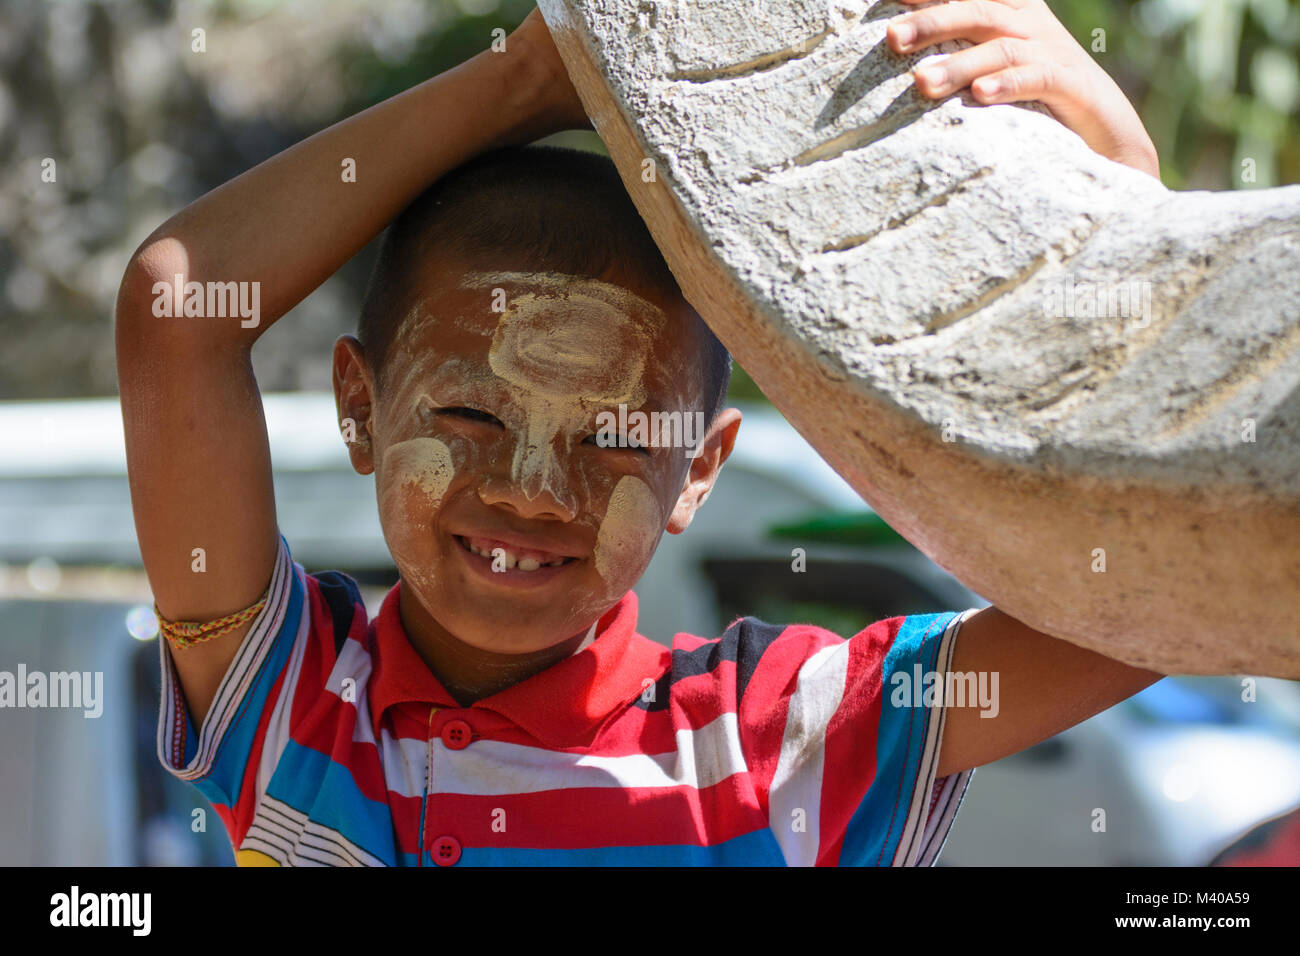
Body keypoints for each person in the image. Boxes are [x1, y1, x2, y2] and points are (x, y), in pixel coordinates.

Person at [115, 0, 1161, 866]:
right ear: (360, 406)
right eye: (472, 414)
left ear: (698, 468)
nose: (530, 490)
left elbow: (1153, 602)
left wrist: (1120, 170)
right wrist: (532, 72)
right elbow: (178, 309)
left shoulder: (778, 741)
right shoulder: (294, 703)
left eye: (611, 437)